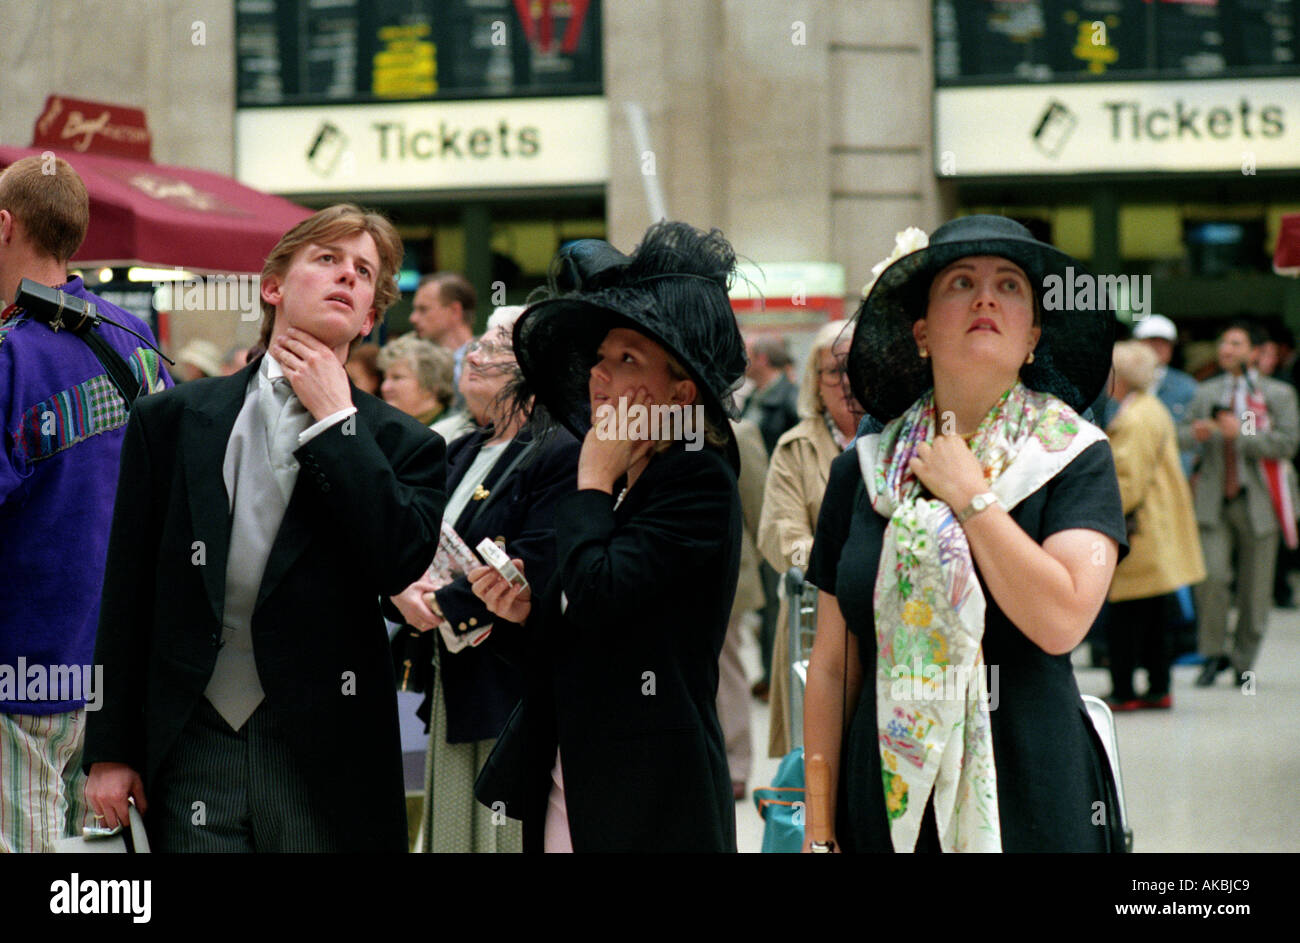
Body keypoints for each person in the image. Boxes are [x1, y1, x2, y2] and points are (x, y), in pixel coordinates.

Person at [82, 204, 447, 852]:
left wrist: (339, 423)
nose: (347, 275)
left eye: (363, 271)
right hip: (191, 737)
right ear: (273, 286)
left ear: (369, 316)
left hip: (324, 747)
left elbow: (400, 559)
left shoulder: (404, 443)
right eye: (327, 258)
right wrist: (109, 747)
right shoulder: (168, 419)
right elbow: (126, 589)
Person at [803, 215, 1127, 853]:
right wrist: (818, 828)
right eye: (960, 283)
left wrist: (972, 499)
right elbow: (836, 664)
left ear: (1032, 336)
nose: (985, 297)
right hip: (886, 800)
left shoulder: (1073, 457)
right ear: (922, 331)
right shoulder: (864, 470)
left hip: (1033, 795)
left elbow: (1060, 619)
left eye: (1009, 286)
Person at [471, 222, 746, 852]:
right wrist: (522, 615)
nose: (600, 375)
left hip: (651, 792)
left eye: (628, 360)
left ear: (680, 393)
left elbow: (600, 592)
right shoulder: (630, 478)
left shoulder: (695, 477)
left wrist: (590, 482)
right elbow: (585, 640)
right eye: (600, 358)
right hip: (576, 776)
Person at [0, 154, 171, 853]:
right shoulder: (135, 337)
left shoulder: (10, 354)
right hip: (118, 660)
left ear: (4, 225)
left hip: (24, 658)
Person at [388, 306, 579, 853]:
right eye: (476, 344)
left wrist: (442, 604)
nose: (474, 355)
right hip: (453, 672)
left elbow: (536, 561)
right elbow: (409, 540)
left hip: (510, 678)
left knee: (499, 834)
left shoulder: (559, 450)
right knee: (452, 832)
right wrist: (403, 593)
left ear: (536, 372)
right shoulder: (459, 448)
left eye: (496, 347)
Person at [756, 318, 863, 758]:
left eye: (855, 366)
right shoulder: (795, 448)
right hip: (815, 623)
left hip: (889, 623)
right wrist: (848, 562)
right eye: (834, 371)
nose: (846, 381)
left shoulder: (902, 438)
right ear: (816, 383)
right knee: (817, 757)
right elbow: (779, 534)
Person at [1180, 321, 1300, 688]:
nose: (1226, 349)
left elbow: (1286, 444)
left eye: (1236, 343)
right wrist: (1195, 434)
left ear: (1255, 352)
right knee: (1212, 578)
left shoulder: (1276, 395)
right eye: (1222, 342)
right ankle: (1212, 653)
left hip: (1259, 501)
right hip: (1215, 499)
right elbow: (1179, 435)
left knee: (1255, 589)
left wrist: (1242, 435)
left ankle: (1244, 661)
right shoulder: (1205, 392)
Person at [1104, 341, 1205, 710]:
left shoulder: (1133, 419)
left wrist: (1101, 514)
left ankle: (1124, 690)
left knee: (1125, 618)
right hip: (1157, 528)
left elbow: (1128, 480)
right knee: (1153, 617)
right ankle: (1158, 687)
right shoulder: (1150, 408)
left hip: (1141, 532)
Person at [741, 335, 801, 701]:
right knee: (763, 600)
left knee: (777, 598)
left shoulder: (789, 402)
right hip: (753, 509)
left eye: (749, 356)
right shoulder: (754, 399)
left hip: (775, 508)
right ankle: (768, 673)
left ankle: (776, 677)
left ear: (762, 359)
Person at [719, 418, 768, 799]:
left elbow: (758, 504)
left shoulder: (738, 434)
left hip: (727, 570)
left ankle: (737, 762)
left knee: (727, 665)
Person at [1132, 314, 1199, 475]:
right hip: (1132, 467)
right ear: (1137, 344)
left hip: (1173, 472)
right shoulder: (1122, 381)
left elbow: (1197, 435)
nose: (1157, 347)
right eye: (1151, 341)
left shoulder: (1187, 386)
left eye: (1164, 343)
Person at [410, 271, 476, 394]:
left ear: (455, 311)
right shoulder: (415, 366)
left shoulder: (481, 367)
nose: (413, 318)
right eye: (415, 310)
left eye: (423, 309)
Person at [377, 333, 456, 431]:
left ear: (430, 384)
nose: (385, 387)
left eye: (397, 377)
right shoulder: (386, 429)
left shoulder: (455, 435)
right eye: (384, 378)